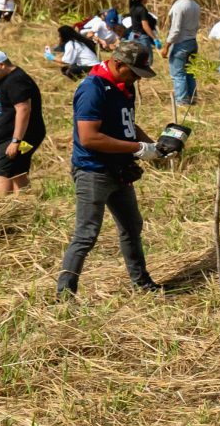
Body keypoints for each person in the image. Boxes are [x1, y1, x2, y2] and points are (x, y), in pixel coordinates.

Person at [57, 40, 166, 298]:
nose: (137, 80)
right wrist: (136, 148)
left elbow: (127, 124)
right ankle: (64, 293)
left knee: (132, 226)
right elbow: (89, 138)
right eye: (134, 73)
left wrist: (153, 146)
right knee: (86, 234)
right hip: (94, 171)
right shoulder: (93, 89)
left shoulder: (123, 87)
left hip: (120, 169)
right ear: (118, 64)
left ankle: (142, 283)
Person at [0, 49, 43, 195]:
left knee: (1, 171)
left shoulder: (17, 81)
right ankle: (23, 204)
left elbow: (23, 109)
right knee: (17, 170)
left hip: (24, 135)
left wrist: (16, 140)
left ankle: (2, 206)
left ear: (1, 65)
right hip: (11, 134)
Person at [162, 0, 202, 106]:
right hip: (192, 42)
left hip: (181, 43)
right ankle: (192, 97)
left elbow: (175, 29)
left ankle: (182, 101)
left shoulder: (179, 6)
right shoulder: (195, 5)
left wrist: (166, 46)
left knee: (178, 73)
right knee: (190, 72)